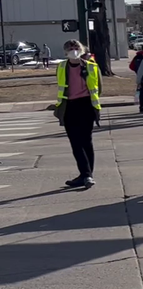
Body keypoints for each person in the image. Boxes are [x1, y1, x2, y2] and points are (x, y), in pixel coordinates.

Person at [56, 40, 101, 188]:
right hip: (69, 106)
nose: (73, 50)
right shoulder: (61, 67)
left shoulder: (91, 66)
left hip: (86, 105)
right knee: (75, 142)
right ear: (65, 51)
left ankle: (87, 175)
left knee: (86, 141)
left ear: (81, 50)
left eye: (76, 47)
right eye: (70, 48)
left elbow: (98, 88)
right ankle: (86, 175)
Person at [129, 43, 143, 113]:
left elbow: (131, 66)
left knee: (141, 92)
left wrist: (137, 71)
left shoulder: (137, 56)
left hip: (140, 77)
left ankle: (142, 106)